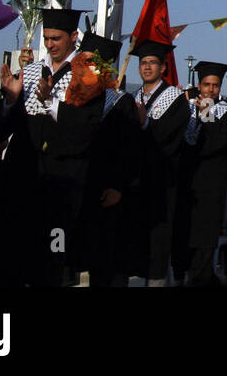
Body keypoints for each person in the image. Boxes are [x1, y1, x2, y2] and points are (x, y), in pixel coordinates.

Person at [0, 8, 106, 285]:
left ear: (73, 36)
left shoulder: (90, 73)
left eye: (56, 38)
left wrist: (51, 103)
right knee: (19, 247)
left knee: (54, 251)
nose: (50, 44)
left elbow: (86, 128)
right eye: (46, 38)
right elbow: (9, 124)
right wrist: (10, 100)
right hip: (25, 174)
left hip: (64, 181)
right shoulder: (31, 72)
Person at [126, 39, 189, 285]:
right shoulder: (132, 97)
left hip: (162, 180)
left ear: (163, 67)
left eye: (152, 62)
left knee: (158, 238)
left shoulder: (175, 99)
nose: (147, 67)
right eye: (143, 63)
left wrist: (144, 124)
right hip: (135, 180)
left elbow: (170, 138)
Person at [77, 34, 137, 287]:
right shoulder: (72, 97)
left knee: (104, 260)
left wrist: (118, 186)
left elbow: (129, 151)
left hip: (106, 191)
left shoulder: (121, 102)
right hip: (75, 187)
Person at [176, 61, 227, 286]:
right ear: (199, 85)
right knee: (185, 228)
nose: (210, 90)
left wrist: (206, 116)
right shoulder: (185, 110)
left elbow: (218, 143)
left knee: (205, 230)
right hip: (187, 179)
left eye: (215, 86)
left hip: (211, 180)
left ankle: (202, 275)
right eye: (206, 85)